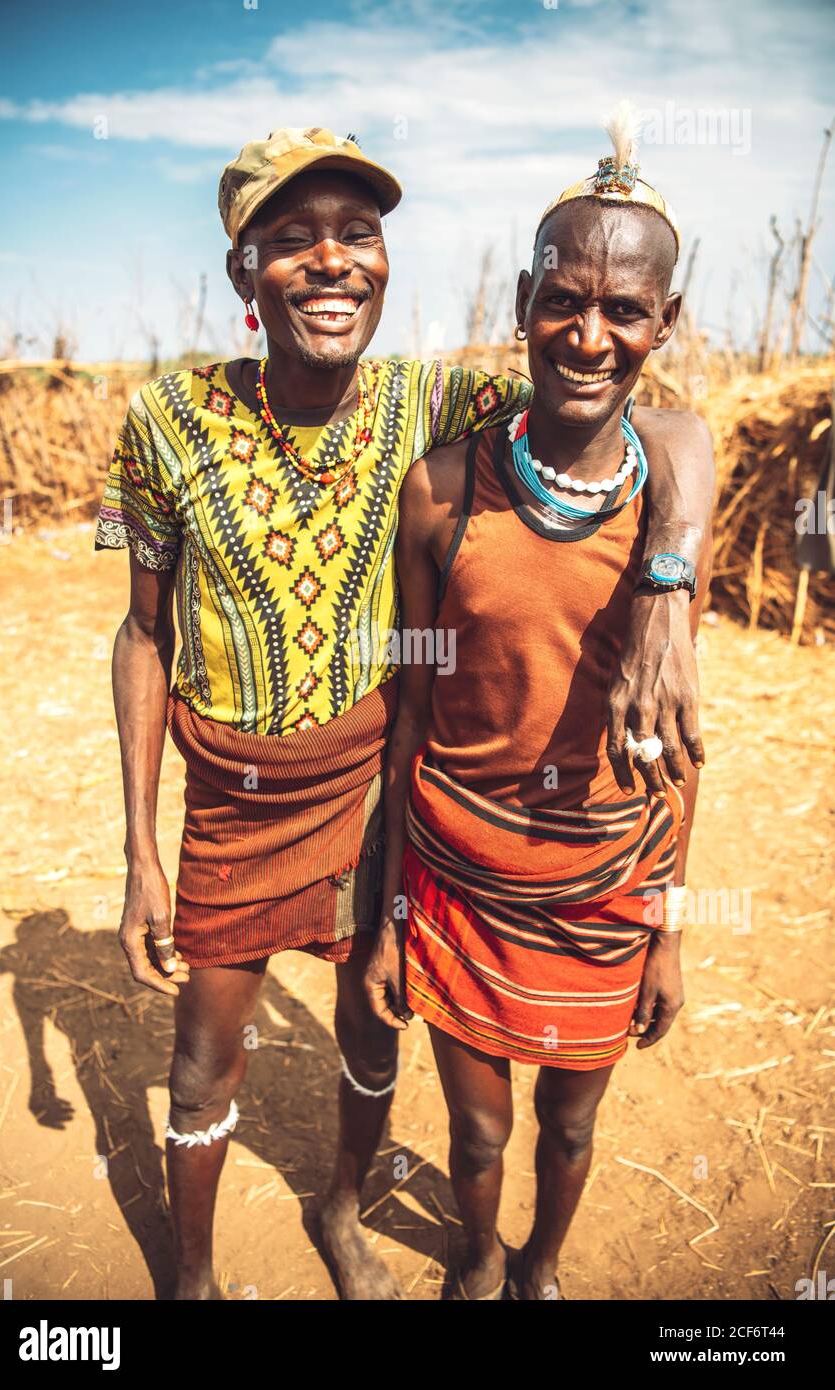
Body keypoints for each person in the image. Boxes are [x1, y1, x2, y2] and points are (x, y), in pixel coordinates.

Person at [95, 125, 713, 1300]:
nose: (332, 262)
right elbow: (141, 632)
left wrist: (672, 585)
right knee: (200, 1061)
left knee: (370, 1022)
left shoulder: (434, 403)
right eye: (292, 240)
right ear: (242, 272)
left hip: (378, 791)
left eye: (358, 235)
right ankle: (188, 1280)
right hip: (232, 796)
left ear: (385, 263)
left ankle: (338, 1202)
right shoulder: (161, 422)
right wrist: (138, 849)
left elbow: (667, 423)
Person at [366, 110, 713, 1300]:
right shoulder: (441, 490)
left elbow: (678, 749)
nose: (588, 332)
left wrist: (667, 926)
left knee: (568, 1129)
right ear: (522, 299)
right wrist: (386, 913)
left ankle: (542, 1266)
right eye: (563, 297)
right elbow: (408, 709)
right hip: (460, 877)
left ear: (661, 324)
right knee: (475, 1134)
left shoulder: (673, 515)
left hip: (605, 888)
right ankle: (472, 1254)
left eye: (624, 310)